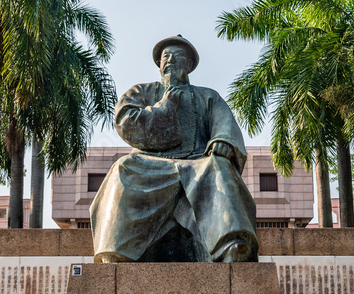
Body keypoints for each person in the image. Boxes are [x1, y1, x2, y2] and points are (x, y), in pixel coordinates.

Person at [90, 35, 258, 262]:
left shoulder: (208, 96)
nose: (170, 60)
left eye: (177, 56)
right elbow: (125, 121)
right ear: (159, 64)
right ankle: (117, 249)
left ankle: (231, 243)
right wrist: (164, 106)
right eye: (165, 57)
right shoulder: (142, 91)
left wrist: (224, 141)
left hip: (199, 162)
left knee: (219, 167)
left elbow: (224, 125)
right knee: (123, 169)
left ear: (188, 65)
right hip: (151, 163)